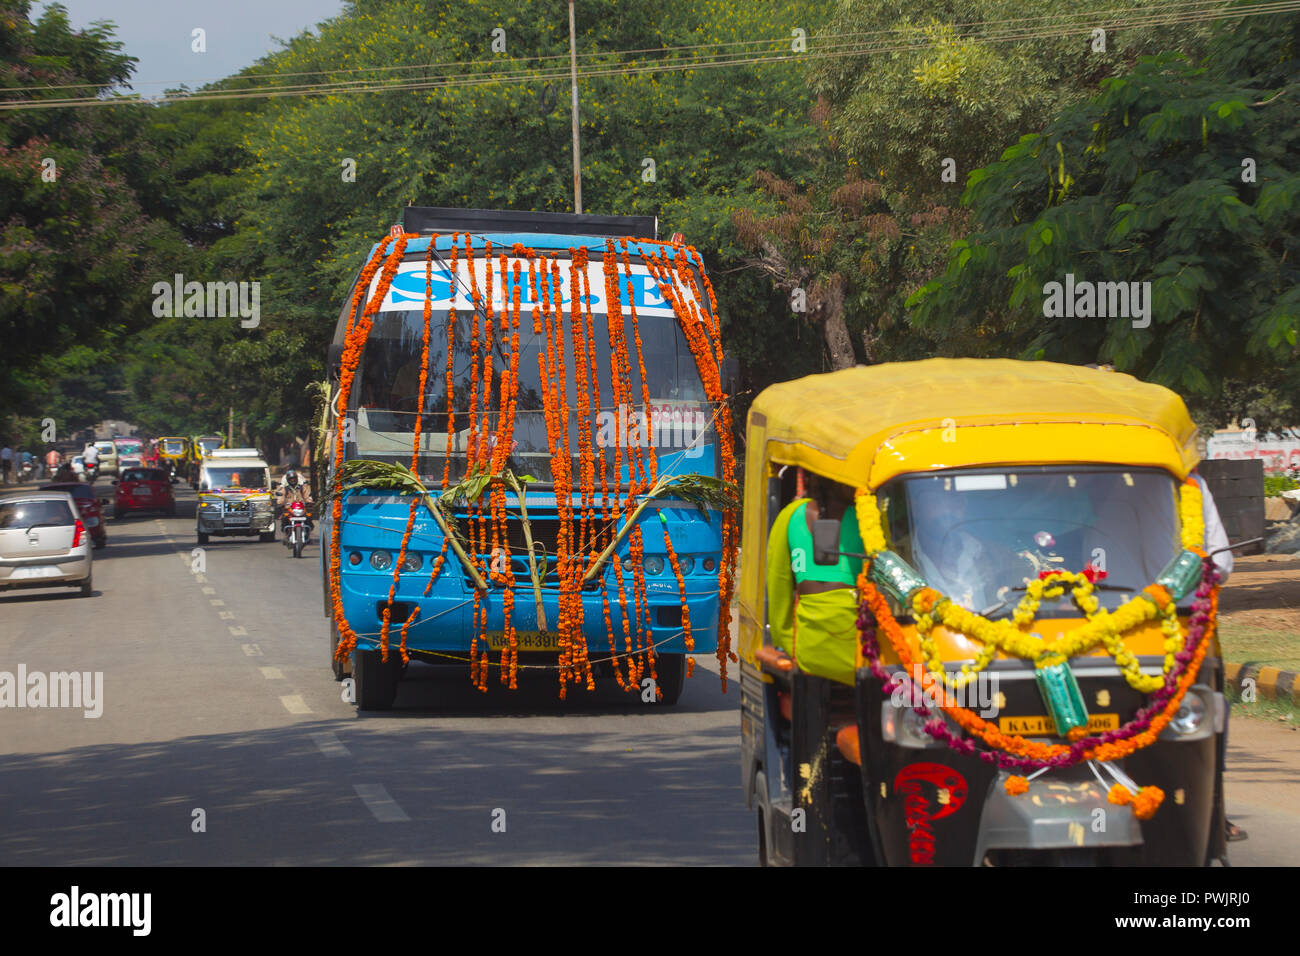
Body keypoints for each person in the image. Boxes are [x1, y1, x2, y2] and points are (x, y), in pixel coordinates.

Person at [765, 471, 865, 686]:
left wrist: (788, 640)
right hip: (847, 648)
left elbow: (777, 583)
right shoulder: (863, 516)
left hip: (819, 646)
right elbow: (778, 582)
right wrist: (788, 640)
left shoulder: (864, 514)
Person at [276, 469, 314, 542]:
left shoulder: (302, 487)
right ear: (288, 480)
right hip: (290, 509)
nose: (293, 480)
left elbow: (307, 496)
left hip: (301, 509)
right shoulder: (285, 489)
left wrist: (309, 502)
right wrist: (280, 503)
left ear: (297, 479)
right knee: (284, 519)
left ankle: (307, 534)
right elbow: (281, 497)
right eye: (291, 479)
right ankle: (287, 534)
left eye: (294, 478)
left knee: (309, 518)